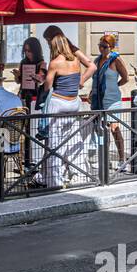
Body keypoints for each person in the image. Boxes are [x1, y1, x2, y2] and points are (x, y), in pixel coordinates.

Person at [43, 33, 96, 186]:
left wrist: (42, 80)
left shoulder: (54, 63)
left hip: (58, 103)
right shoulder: (76, 60)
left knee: (54, 144)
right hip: (73, 102)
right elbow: (86, 71)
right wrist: (79, 82)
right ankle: (78, 174)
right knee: (71, 139)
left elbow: (47, 86)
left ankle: (54, 181)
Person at [90, 33, 130, 167]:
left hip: (112, 100)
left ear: (111, 47)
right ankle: (104, 159)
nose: (101, 49)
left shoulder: (116, 60)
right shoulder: (96, 60)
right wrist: (92, 92)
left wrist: (115, 86)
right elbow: (95, 79)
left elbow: (126, 78)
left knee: (114, 129)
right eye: (100, 46)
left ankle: (122, 159)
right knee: (103, 130)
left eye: (104, 47)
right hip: (99, 100)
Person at [14, 36, 47, 109]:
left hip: (36, 96)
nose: (27, 53)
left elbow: (42, 80)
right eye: (25, 50)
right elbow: (18, 82)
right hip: (23, 95)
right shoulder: (23, 62)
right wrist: (17, 75)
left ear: (35, 51)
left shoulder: (41, 63)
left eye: (29, 51)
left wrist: (37, 77)